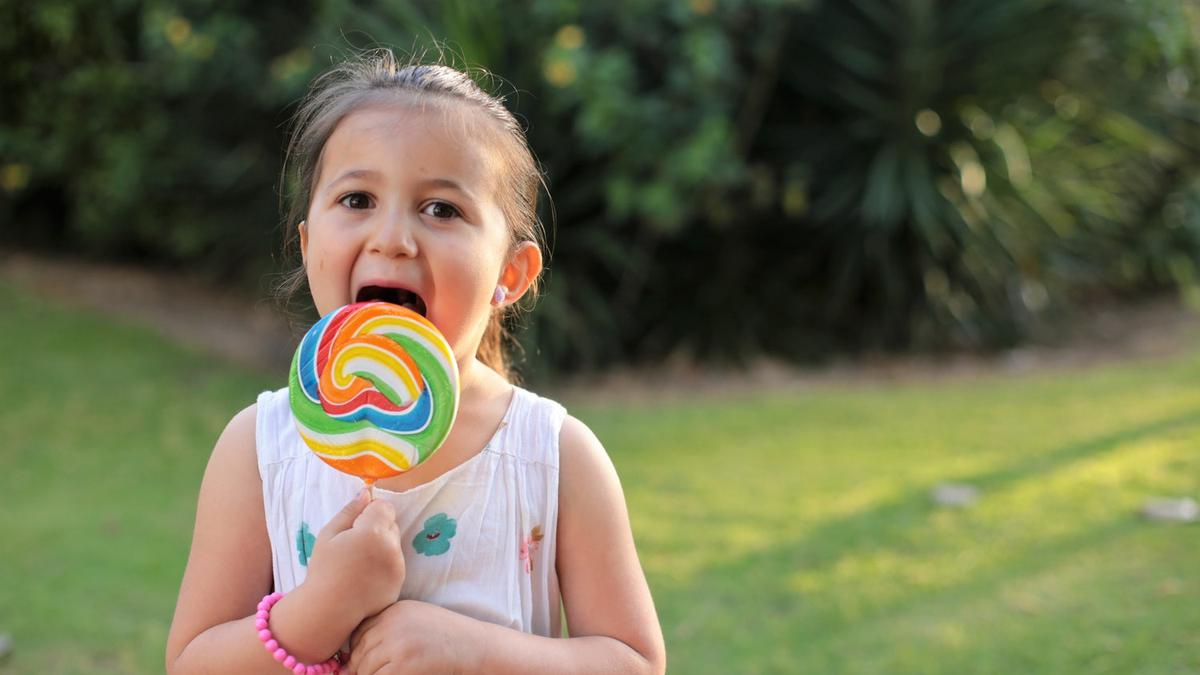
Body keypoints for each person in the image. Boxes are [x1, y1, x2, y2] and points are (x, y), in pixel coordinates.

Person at [165, 49, 665, 675]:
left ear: (510, 272)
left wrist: (473, 652)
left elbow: (634, 663)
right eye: (356, 200)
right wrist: (317, 612)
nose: (393, 238)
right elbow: (192, 663)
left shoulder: (553, 457)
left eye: (441, 209)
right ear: (308, 240)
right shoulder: (262, 451)